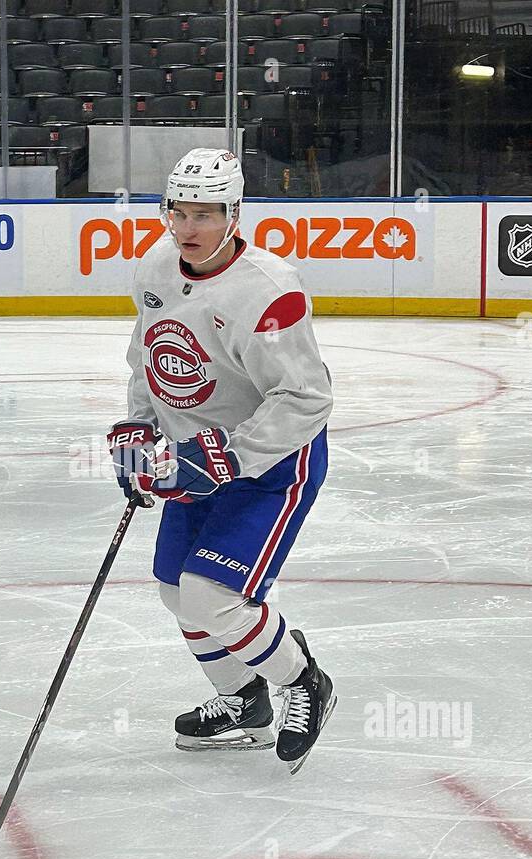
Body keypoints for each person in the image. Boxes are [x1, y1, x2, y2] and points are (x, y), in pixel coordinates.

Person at [106, 148, 336, 774]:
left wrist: (227, 458)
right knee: (174, 591)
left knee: (212, 598)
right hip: (195, 459)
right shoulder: (155, 266)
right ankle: (244, 702)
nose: (188, 228)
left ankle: (303, 681)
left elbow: (307, 398)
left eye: (205, 214)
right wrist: (138, 426)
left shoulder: (268, 291)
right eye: (178, 211)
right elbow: (149, 357)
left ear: (235, 214)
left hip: (268, 468)